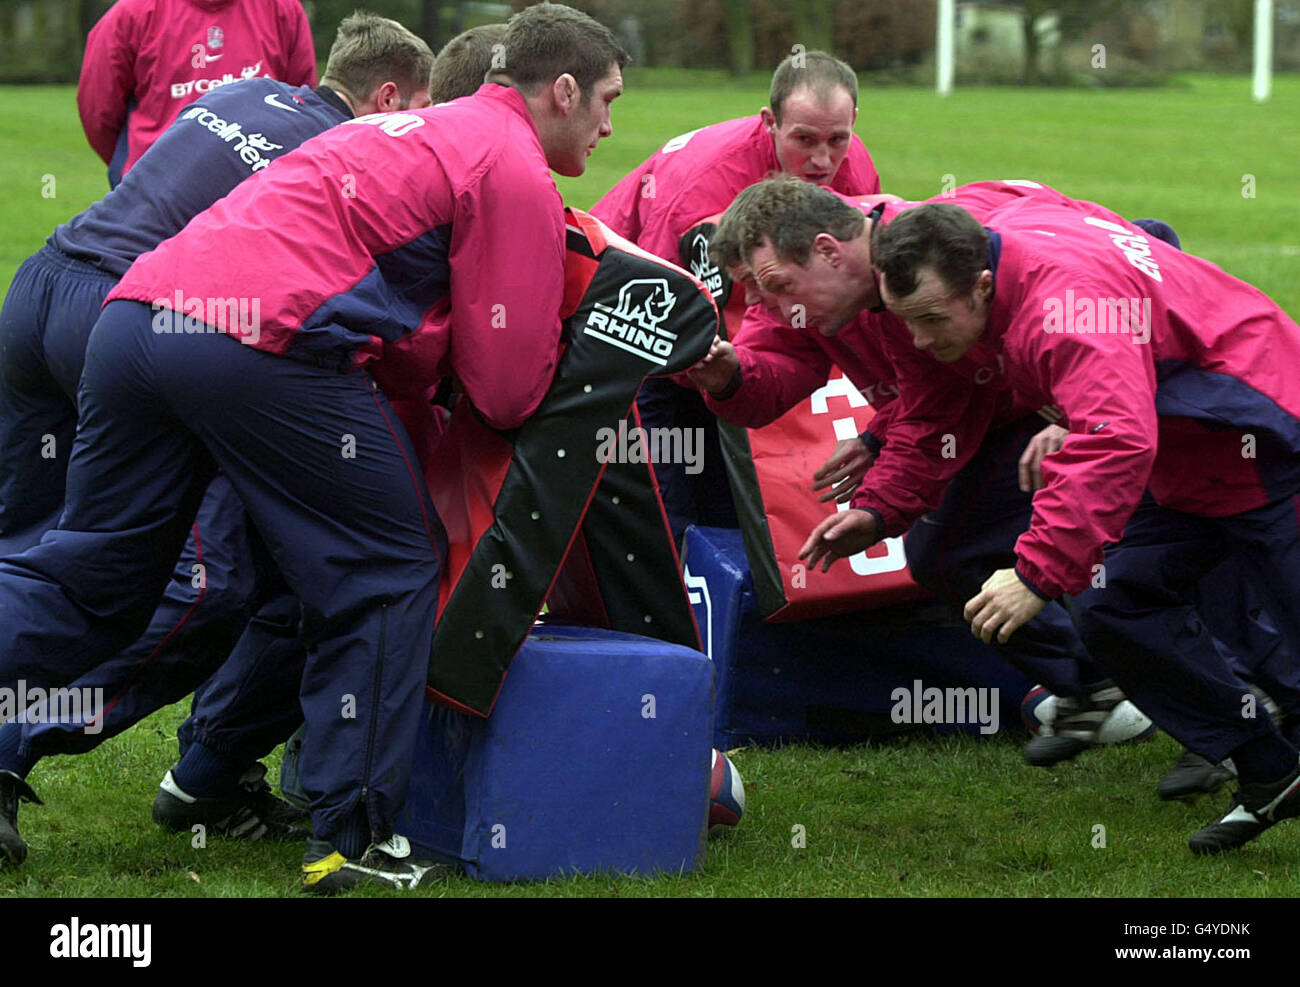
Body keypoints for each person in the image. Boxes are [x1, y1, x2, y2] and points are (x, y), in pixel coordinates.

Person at [0, 1, 626, 892]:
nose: (609, 125)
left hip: (133, 317)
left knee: (95, 576)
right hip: (251, 343)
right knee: (384, 567)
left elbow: (381, 312)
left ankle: (222, 773)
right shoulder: (512, 165)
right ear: (561, 90)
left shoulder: (407, 124)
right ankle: (351, 840)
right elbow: (506, 386)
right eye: (604, 99)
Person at [719, 178, 1300, 853]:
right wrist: (881, 510)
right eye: (906, 324)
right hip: (1183, 454)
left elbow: (1116, 433)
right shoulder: (942, 263)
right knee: (1119, 600)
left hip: (1265, 431)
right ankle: (1268, 767)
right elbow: (941, 401)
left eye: (931, 323)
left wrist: (1034, 572)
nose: (918, 340)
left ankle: (1244, 727)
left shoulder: (1057, 303)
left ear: (982, 288)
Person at [0, 13, 437, 868]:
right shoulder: (343, 154)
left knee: (34, 554)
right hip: (136, 316)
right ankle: (14, 741)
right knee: (200, 582)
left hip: (43, 288)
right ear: (388, 98)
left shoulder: (240, 91)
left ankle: (214, 769)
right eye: (416, 111)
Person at [590, 50, 880, 542]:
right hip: (633, 325)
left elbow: (851, 295)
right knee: (670, 502)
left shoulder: (856, 172)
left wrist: (742, 376)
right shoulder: (705, 187)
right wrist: (721, 376)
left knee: (735, 504)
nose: (822, 160)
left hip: (730, 324)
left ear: (854, 122)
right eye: (804, 140)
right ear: (770, 123)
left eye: (837, 140)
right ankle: (679, 597)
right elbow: (655, 310)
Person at [78, 0, 318, 188]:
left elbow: (302, 107)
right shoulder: (132, 13)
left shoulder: (282, 10)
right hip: (155, 196)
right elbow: (98, 112)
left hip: (255, 196)